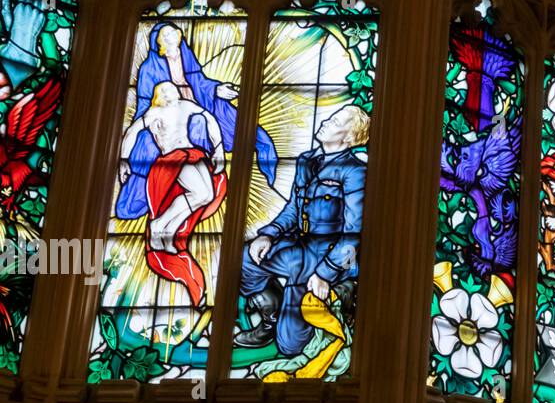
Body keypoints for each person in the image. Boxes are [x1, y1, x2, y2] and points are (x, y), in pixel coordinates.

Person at [234, 106, 370, 360]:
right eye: (330, 116)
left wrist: (325, 274)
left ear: (350, 137)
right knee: (246, 259)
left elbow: (353, 234)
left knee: (290, 347)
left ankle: (334, 306)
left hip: (329, 256)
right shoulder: (307, 160)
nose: (326, 121)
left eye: (335, 121)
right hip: (300, 247)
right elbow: (293, 208)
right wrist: (269, 234)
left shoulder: (355, 172)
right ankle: (270, 318)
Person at [115, 22, 277, 222]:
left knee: (202, 125)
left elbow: (199, 82)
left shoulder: (186, 56)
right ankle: (158, 203)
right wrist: (124, 158)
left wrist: (216, 90)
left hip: (190, 110)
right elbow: (145, 103)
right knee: (148, 146)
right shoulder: (150, 67)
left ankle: (192, 184)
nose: (170, 38)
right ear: (159, 42)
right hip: (164, 121)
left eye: (172, 34)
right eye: (165, 36)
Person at [117, 82, 226, 308]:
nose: (171, 91)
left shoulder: (185, 106)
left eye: (172, 89)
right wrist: (124, 159)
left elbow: (211, 120)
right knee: (202, 192)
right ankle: (161, 228)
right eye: (165, 89)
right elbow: (132, 132)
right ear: (159, 95)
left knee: (207, 194)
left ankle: (163, 227)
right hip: (172, 160)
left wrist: (219, 149)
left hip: (190, 154)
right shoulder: (154, 113)